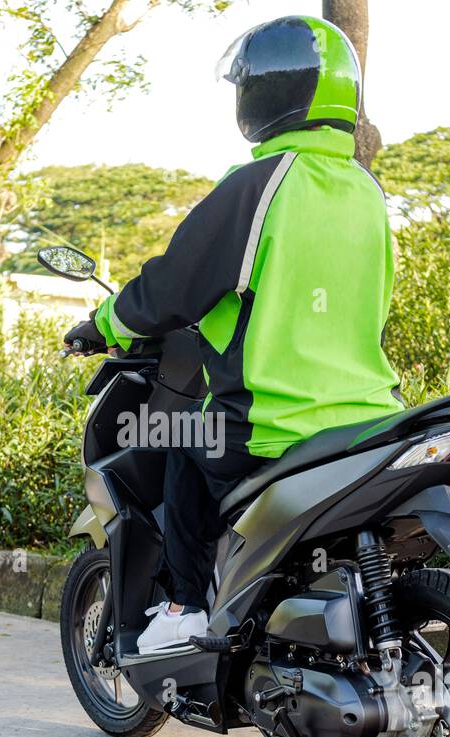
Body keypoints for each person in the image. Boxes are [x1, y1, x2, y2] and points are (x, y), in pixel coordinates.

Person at [64, 15, 405, 654]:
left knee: (174, 434)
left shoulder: (259, 183)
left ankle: (186, 606)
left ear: (267, 94)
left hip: (273, 419)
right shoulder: (366, 191)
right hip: (366, 418)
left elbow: (174, 286)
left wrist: (104, 324)